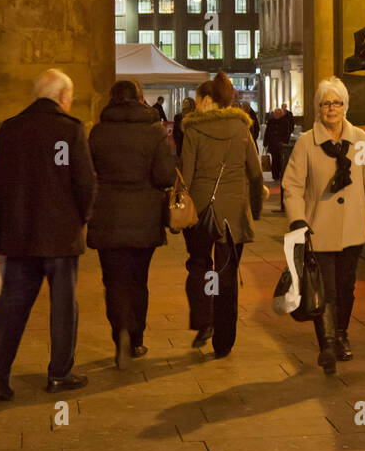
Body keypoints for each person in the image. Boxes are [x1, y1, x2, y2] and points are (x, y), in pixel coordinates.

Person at [0, 69, 97, 401]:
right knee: (63, 306)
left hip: (19, 236)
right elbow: (85, 183)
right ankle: (59, 374)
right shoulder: (70, 130)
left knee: (12, 305)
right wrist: (80, 218)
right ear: (63, 96)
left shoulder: (10, 129)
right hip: (60, 236)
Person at [282, 77, 365, 375]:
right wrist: (298, 219)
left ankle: (342, 333)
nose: (331, 108)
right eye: (325, 103)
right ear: (318, 108)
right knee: (325, 289)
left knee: (345, 288)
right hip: (317, 231)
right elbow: (291, 186)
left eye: (336, 102)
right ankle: (328, 344)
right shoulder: (307, 142)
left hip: (354, 230)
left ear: (345, 106)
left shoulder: (359, 141)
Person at [88, 79, 177, 369]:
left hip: (108, 216)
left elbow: (89, 173)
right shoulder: (154, 131)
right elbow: (165, 177)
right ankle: (136, 337)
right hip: (144, 217)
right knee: (138, 279)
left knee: (114, 280)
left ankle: (120, 333)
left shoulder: (98, 132)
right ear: (141, 100)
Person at [180, 72, 266, 358]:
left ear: (207, 100)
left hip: (201, 212)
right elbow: (255, 173)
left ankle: (204, 319)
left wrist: (182, 208)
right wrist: (255, 209)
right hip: (233, 215)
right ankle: (224, 342)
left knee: (200, 266)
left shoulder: (192, 131)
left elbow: (187, 177)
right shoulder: (242, 129)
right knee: (226, 275)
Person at [264, 104, 296, 182]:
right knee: (275, 159)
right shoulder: (271, 121)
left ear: (281, 114)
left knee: (281, 160)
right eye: (275, 113)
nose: (276, 115)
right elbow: (267, 132)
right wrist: (265, 143)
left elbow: (287, 132)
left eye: (278, 113)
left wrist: (284, 141)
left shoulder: (285, 122)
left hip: (281, 144)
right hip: (273, 144)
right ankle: (275, 175)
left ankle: (281, 174)